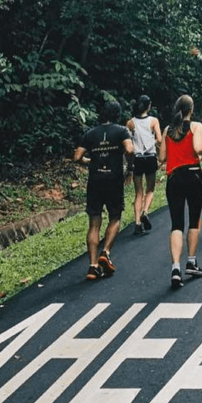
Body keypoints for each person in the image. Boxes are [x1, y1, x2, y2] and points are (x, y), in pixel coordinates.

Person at [73, 99, 134, 280]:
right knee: (115, 217)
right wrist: (129, 168)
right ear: (117, 114)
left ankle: (92, 267)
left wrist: (89, 161)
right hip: (114, 180)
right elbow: (130, 150)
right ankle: (105, 252)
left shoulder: (91, 133)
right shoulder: (121, 131)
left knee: (94, 223)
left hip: (95, 181)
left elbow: (77, 156)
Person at [159, 94, 202, 288]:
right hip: (194, 176)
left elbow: (161, 157)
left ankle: (175, 268)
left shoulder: (168, 130)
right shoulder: (196, 127)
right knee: (194, 220)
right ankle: (191, 262)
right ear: (191, 110)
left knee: (176, 223)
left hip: (174, 179)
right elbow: (197, 148)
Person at [126, 94, 163, 235]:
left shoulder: (130, 123)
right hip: (150, 157)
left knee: (138, 192)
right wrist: (152, 140)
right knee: (150, 189)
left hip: (137, 159)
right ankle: (145, 212)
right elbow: (159, 140)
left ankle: (137, 222)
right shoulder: (154, 121)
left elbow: (128, 144)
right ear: (149, 106)